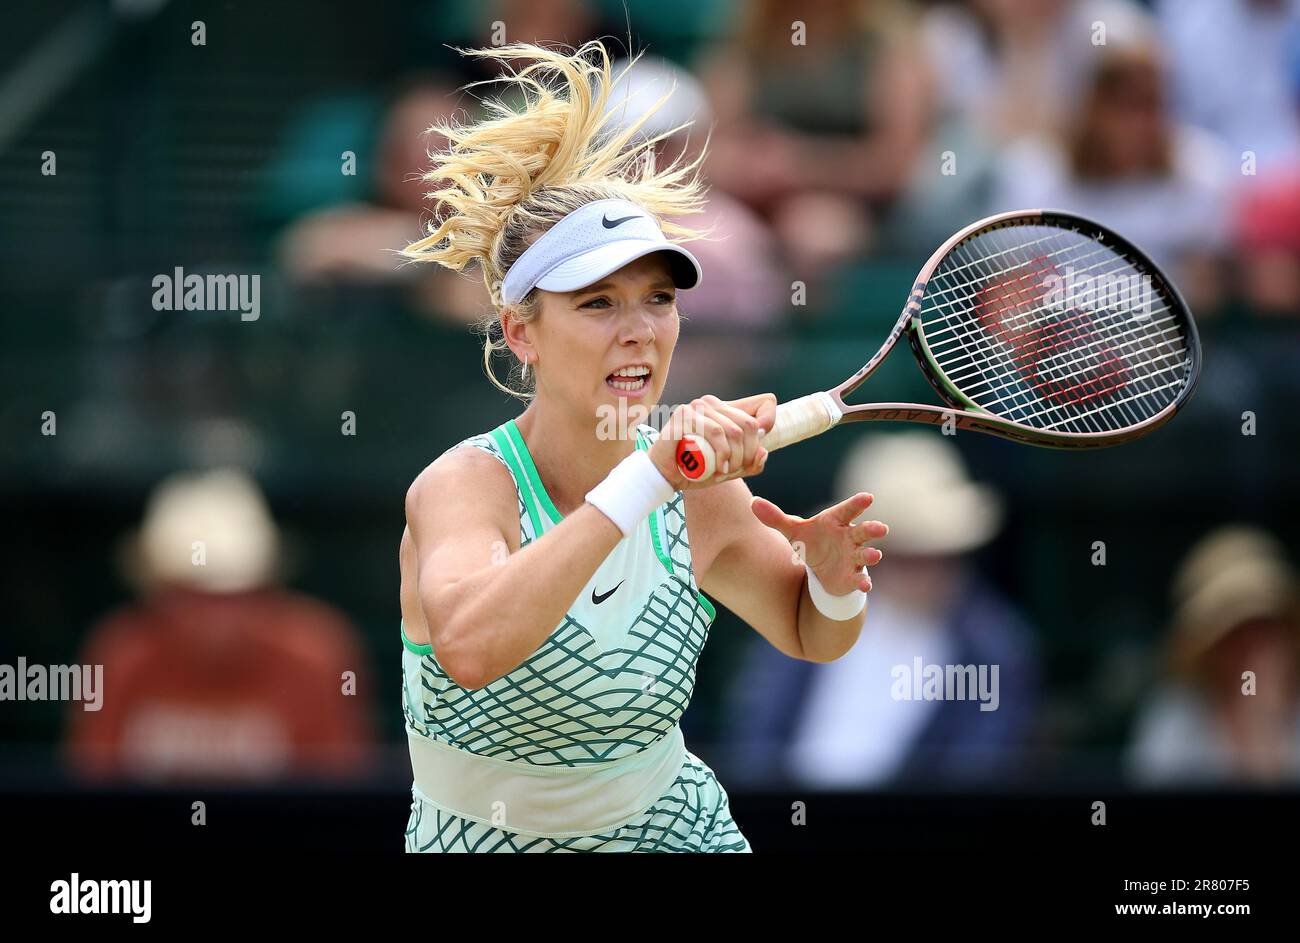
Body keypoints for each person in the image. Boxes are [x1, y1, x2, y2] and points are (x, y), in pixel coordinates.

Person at [396, 41, 889, 852]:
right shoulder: (465, 485)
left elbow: (810, 632)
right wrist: (647, 477)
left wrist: (834, 585)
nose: (639, 331)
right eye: (598, 304)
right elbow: (473, 647)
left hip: (671, 831)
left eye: (658, 299)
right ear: (523, 331)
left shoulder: (698, 488)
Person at [725, 432, 1040, 788]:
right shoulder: (804, 613)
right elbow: (755, 744)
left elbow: (975, 775)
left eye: (936, 555)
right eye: (899, 555)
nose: (922, 574)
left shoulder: (992, 648)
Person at [66, 469, 375, 783]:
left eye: (236, 597)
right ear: (159, 593)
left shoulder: (316, 654)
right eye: (195, 597)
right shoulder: (120, 656)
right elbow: (92, 791)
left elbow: (340, 794)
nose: (218, 618)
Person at [1127, 526, 1300, 785]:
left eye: (1264, 627)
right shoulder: (1175, 716)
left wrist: (1263, 723)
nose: (1252, 646)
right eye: (1235, 632)